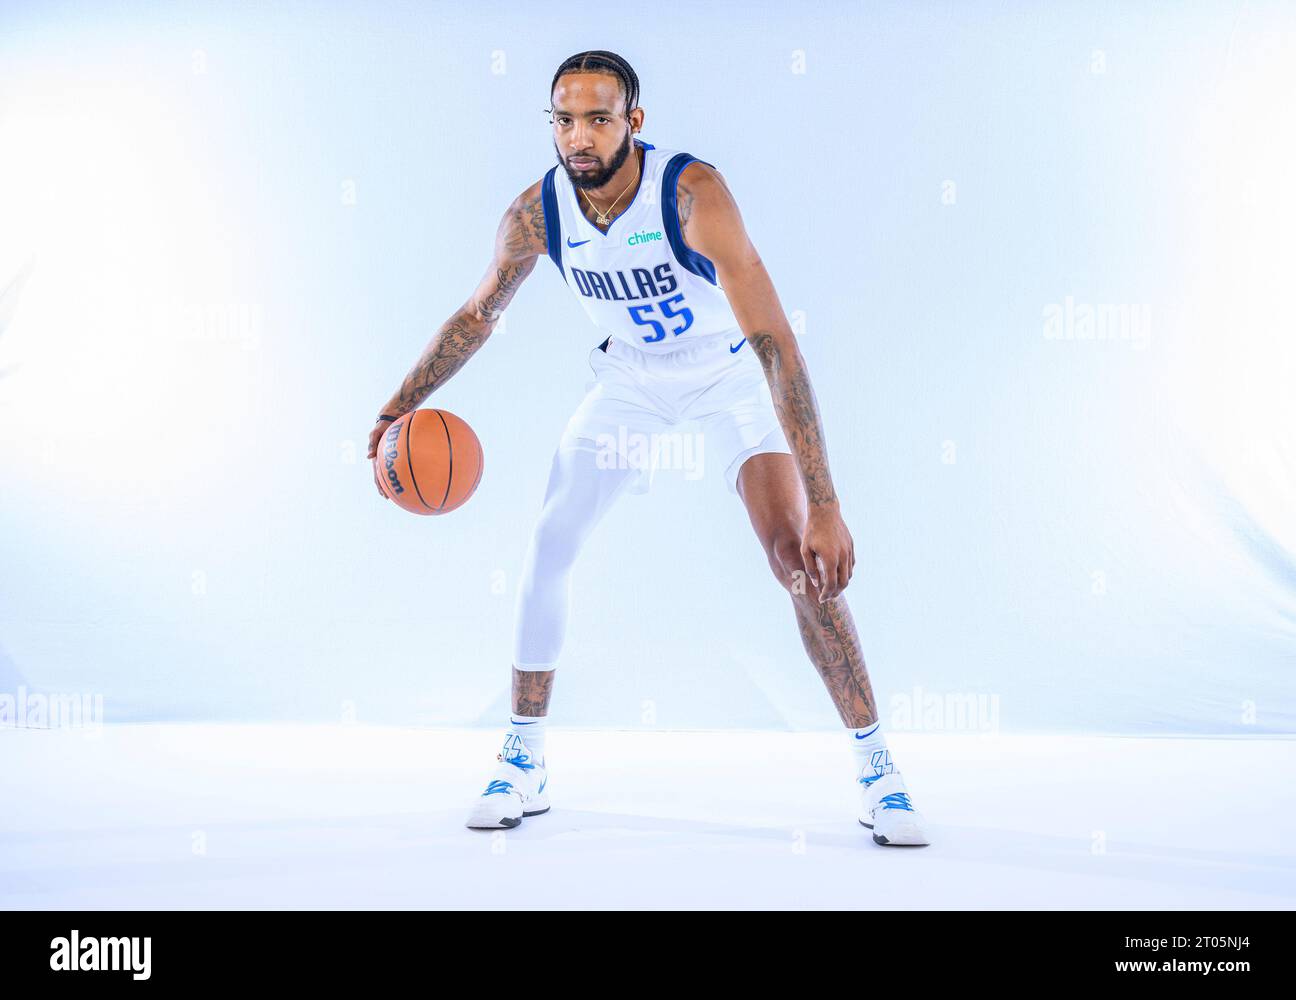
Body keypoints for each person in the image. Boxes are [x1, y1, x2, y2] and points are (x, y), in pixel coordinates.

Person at [366, 50, 930, 846]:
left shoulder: (692, 195)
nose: (579, 137)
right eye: (564, 120)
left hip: (729, 374)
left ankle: (880, 772)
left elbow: (774, 345)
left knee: (798, 562)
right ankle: (524, 758)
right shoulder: (537, 214)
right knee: (549, 540)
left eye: (599, 118)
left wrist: (827, 503)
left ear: (634, 121)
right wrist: (403, 401)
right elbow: (479, 315)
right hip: (630, 381)